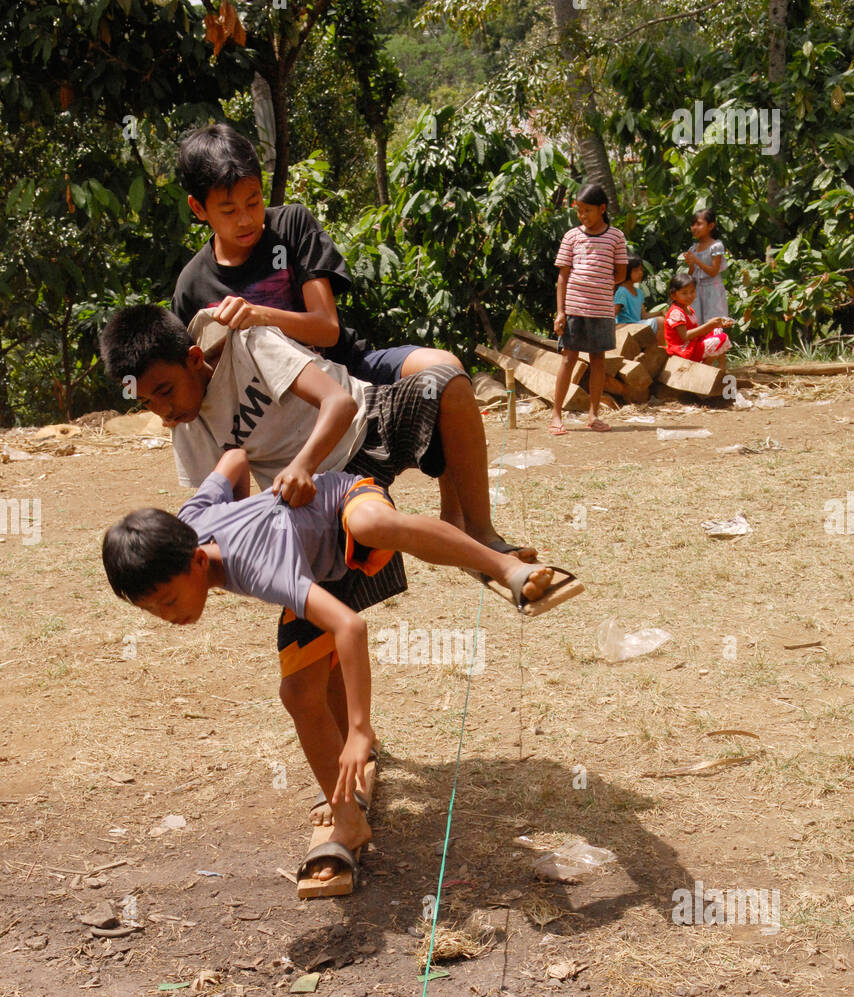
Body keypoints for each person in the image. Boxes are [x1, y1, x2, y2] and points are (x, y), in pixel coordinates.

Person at [99, 304, 537, 824]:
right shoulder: (191, 455)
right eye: (148, 403)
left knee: (445, 385)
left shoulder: (247, 345)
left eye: (165, 391)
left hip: (349, 453)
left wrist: (297, 471)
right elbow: (231, 467)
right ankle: (348, 804)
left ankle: (483, 543)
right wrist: (251, 519)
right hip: (310, 529)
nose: (164, 412)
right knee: (300, 685)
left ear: (195, 359)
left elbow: (337, 402)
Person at [101, 447, 559, 888]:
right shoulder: (190, 521)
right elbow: (235, 458)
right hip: (314, 571)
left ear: (198, 560)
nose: (167, 616)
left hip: (343, 505)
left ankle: (504, 567)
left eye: (168, 600)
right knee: (299, 694)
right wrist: (251, 509)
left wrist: (360, 730)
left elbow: (352, 629)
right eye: (152, 610)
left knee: (372, 521)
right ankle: (349, 820)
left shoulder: (259, 568)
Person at [172, 123, 461, 386]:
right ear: (198, 208)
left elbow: (327, 330)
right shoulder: (192, 285)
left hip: (346, 368)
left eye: (253, 201)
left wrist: (259, 316)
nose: (246, 219)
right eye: (229, 211)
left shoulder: (292, 226)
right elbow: (192, 377)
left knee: (445, 369)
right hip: (266, 413)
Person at [551, 184, 628, 435]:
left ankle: (594, 415)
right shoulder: (571, 237)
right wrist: (560, 311)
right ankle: (556, 414)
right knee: (568, 359)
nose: (582, 215)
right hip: (573, 308)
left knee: (598, 361)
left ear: (602, 209)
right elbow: (562, 277)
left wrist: (599, 284)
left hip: (602, 310)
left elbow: (621, 273)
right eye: (579, 211)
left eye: (588, 211)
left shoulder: (615, 237)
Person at [664, 273, 732, 368]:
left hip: (693, 343)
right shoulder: (676, 312)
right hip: (683, 350)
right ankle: (704, 367)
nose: (689, 296)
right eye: (684, 293)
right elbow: (685, 336)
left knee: (718, 331)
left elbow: (697, 332)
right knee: (721, 338)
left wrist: (716, 324)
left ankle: (720, 367)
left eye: (692, 292)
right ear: (673, 296)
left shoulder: (688, 309)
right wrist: (709, 325)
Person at [683, 208, 729, 324]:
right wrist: (691, 264)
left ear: (711, 226)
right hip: (696, 291)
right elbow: (691, 274)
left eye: (699, 224)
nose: (694, 227)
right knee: (696, 323)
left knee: (714, 324)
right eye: (693, 224)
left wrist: (696, 260)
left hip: (713, 291)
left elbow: (713, 271)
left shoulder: (716, 246)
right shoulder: (693, 248)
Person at [613, 256, 659, 335]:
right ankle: (660, 346)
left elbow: (643, 315)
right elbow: (614, 313)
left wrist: (660, 313)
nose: (640, 272)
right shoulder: (622, 291)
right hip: (626, 328)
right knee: (659, 321)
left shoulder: (639, 292)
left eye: (641, 269)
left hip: (637, 325)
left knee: (659, 320)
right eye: (636, 270)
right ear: (627, 272)